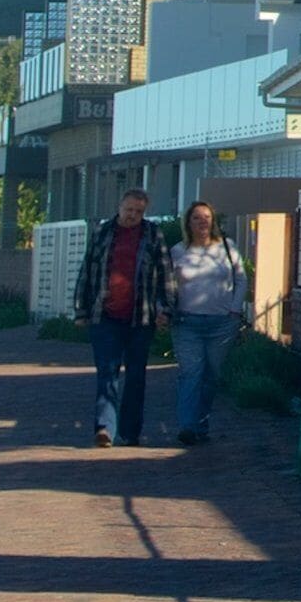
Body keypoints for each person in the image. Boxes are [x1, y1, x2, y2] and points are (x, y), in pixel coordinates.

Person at [72, 188, 174, 447]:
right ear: (119, 208)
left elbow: (165, 274)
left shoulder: (152, 234)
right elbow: (87, 271)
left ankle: (130, 432)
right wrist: (81, 310)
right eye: (129, 210)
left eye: (138, 212)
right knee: (107, 372)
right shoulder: (103, 232)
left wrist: (166, 308)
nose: (133, 216)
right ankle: (105, 427)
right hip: (105, 314)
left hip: (141, 317)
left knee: (136, 375)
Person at [165, 201, 248, 447]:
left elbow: (241, 279)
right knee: (191, 373)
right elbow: (168, 286)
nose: (203, 222)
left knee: (211, 375)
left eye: (207, 217)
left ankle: (201, 424)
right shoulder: (178, 251)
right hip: (187, 322)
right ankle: (188, 426)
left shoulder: (226, 247)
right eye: (197, 218)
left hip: (221, 323)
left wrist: (234, 310)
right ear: (188, 223)